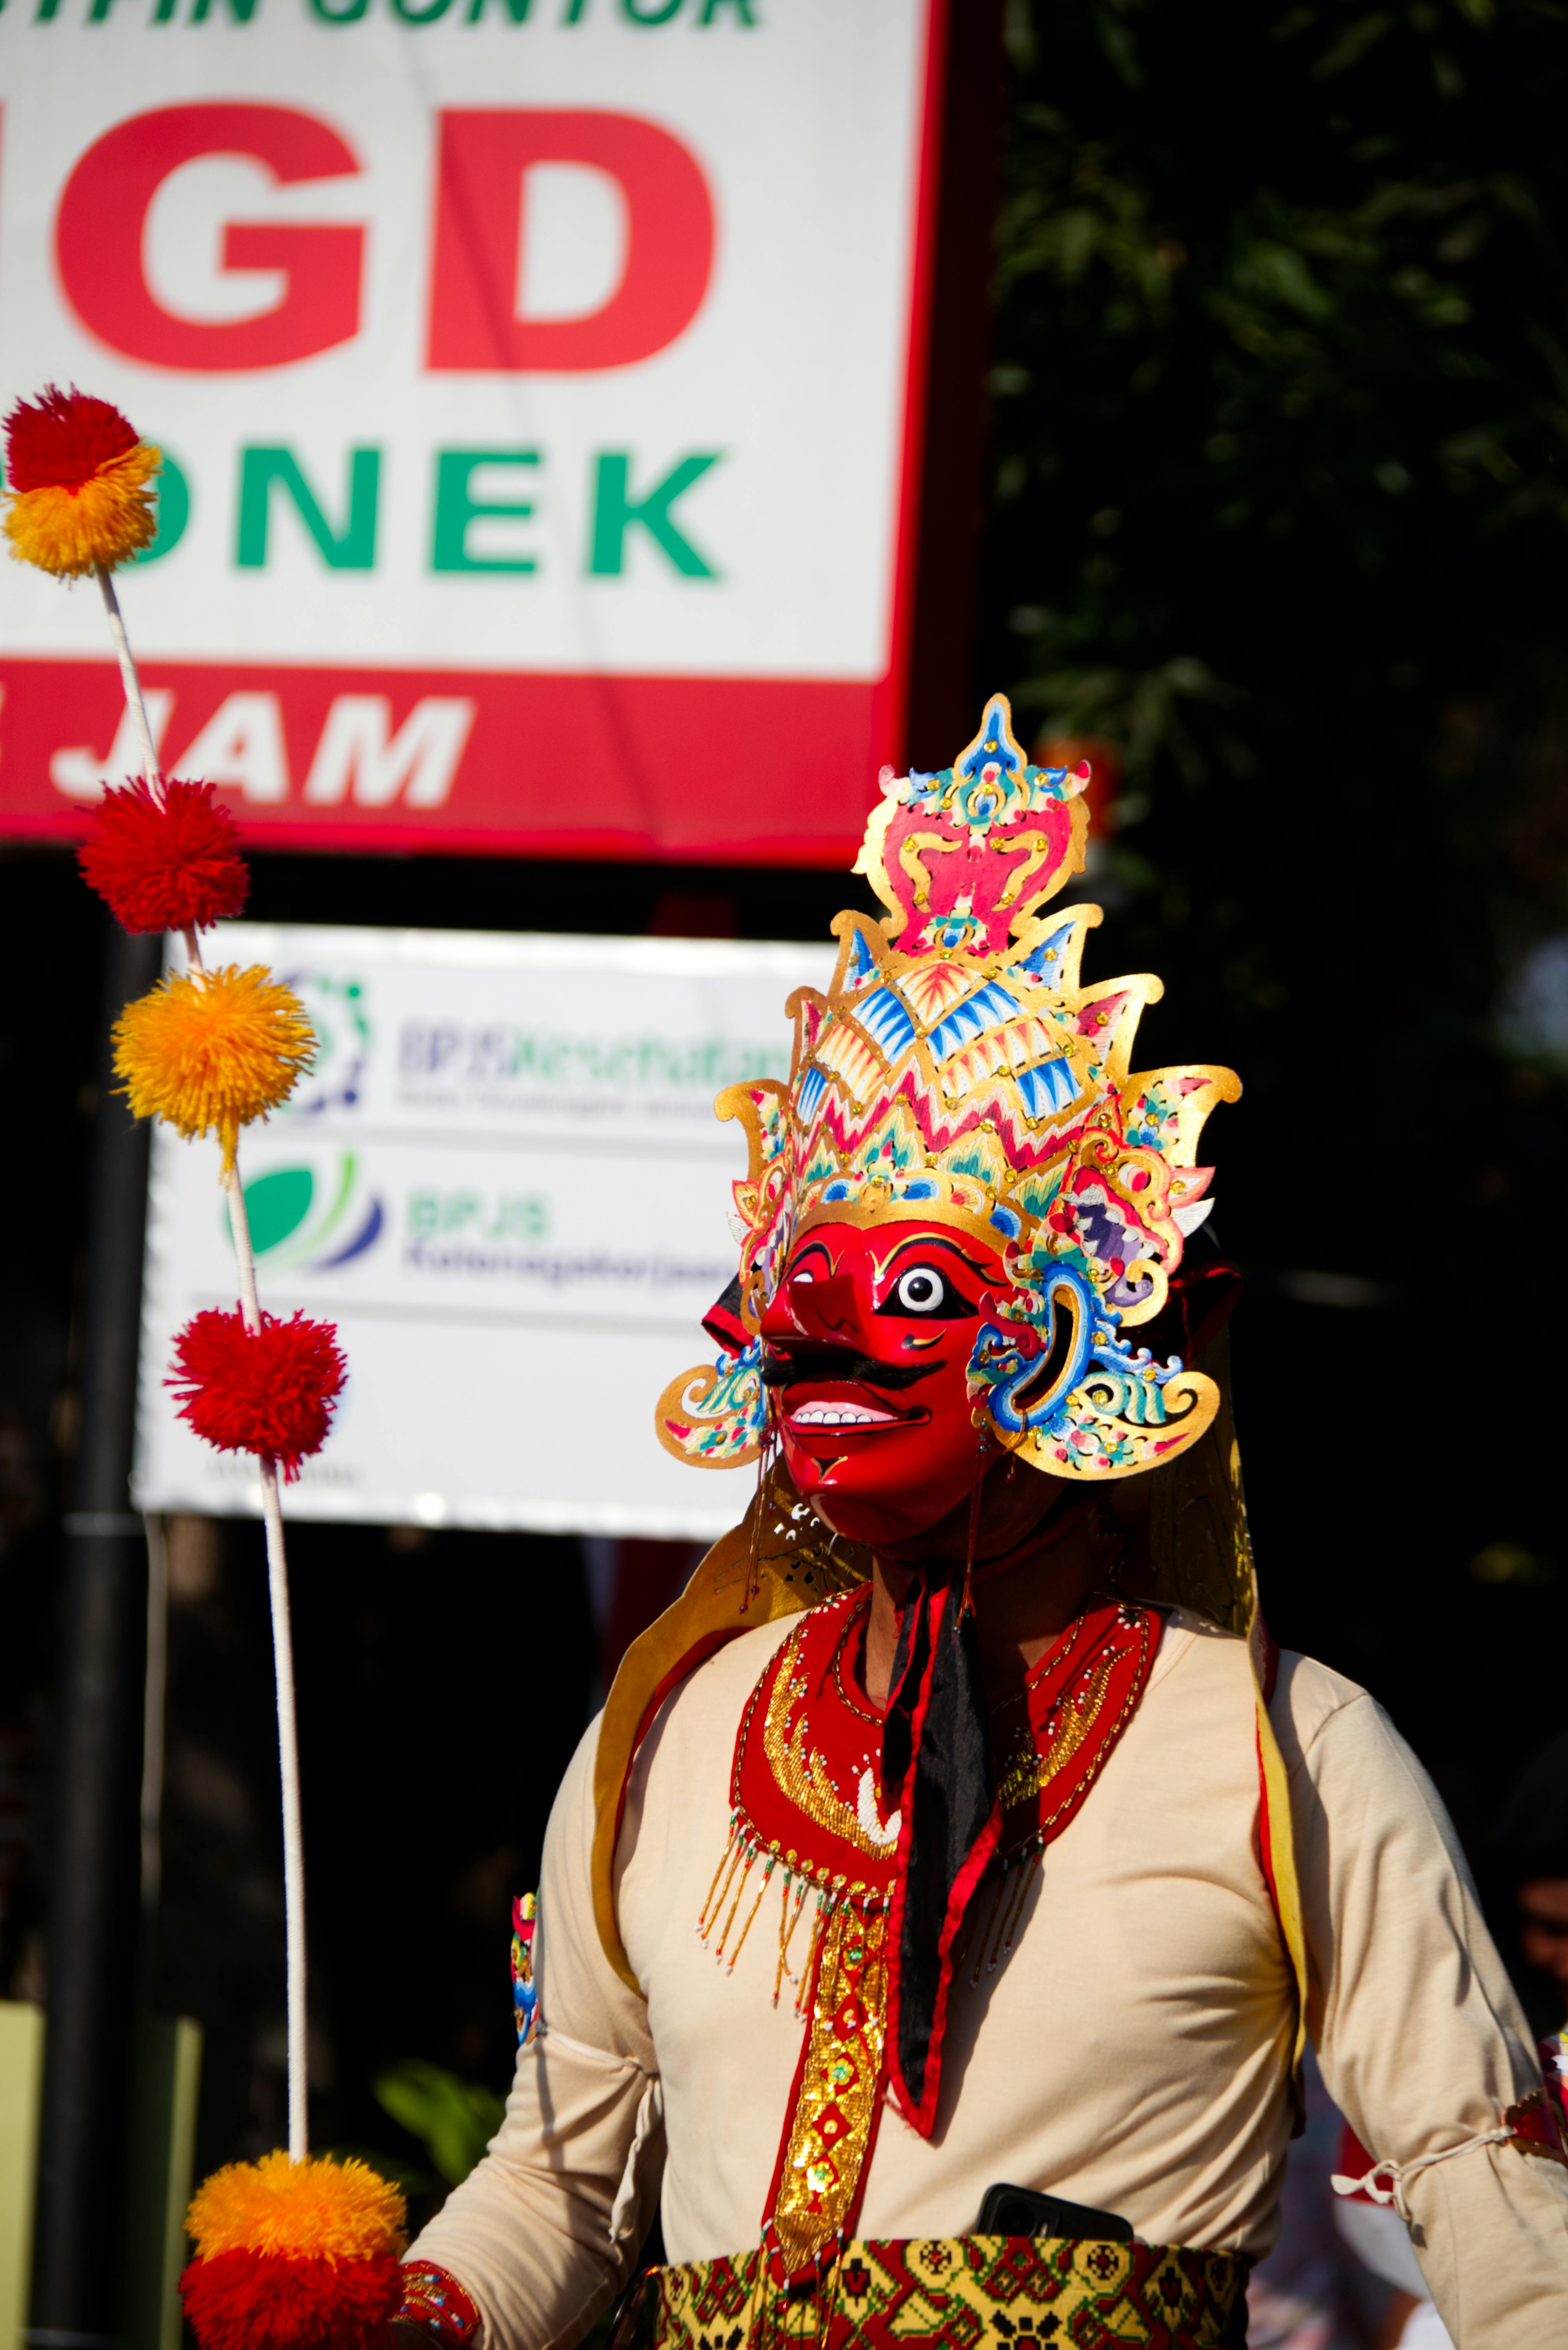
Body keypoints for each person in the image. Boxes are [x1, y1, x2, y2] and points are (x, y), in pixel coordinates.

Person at [390, 702, 1568, 2350]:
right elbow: (563, 2186)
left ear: (1081, 1333)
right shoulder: (669, 1734)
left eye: (918, 1294)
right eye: (795, 1298)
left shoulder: (1286, 1748)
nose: (811, 1345)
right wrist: (398, 2323)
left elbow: (1485, 2188)